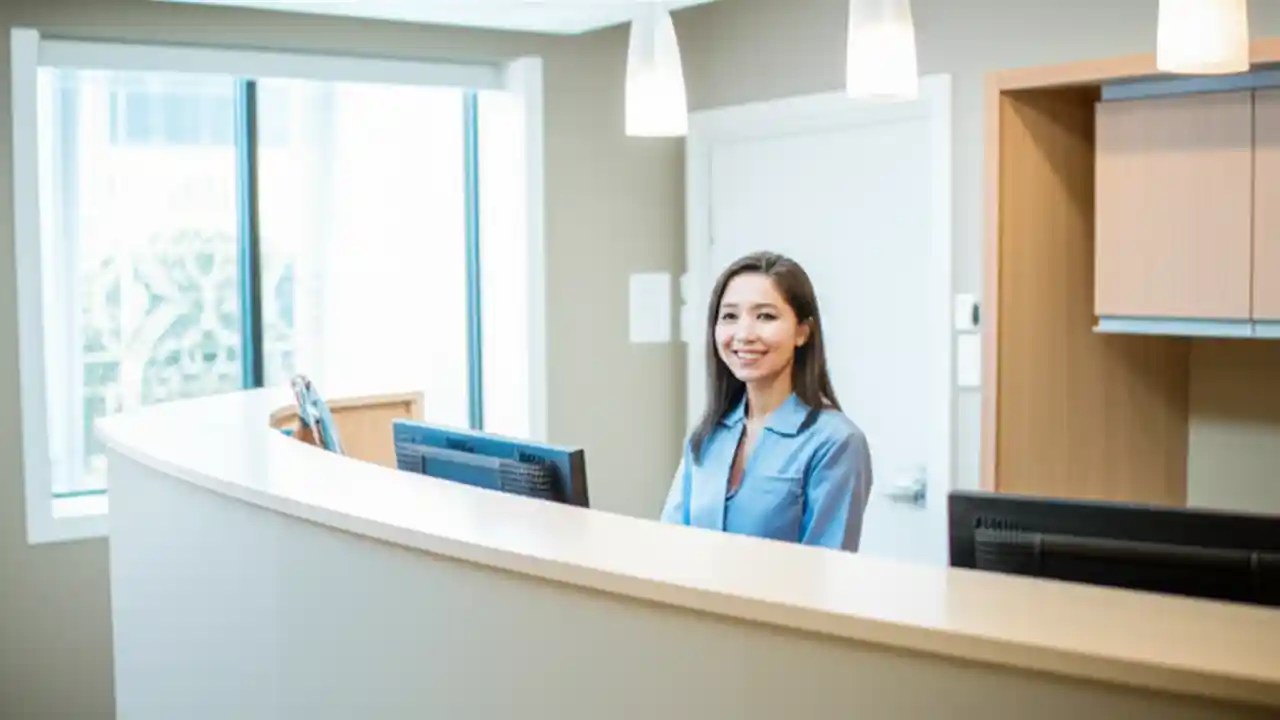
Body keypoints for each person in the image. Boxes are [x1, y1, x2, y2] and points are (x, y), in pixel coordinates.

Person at [660, 251, 873, 551]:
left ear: (802, 332)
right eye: (730, 316)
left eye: (765, 316)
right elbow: (670, 543)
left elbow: (827, 572)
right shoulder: (709, 434)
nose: (744, 334)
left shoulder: (836, 442)